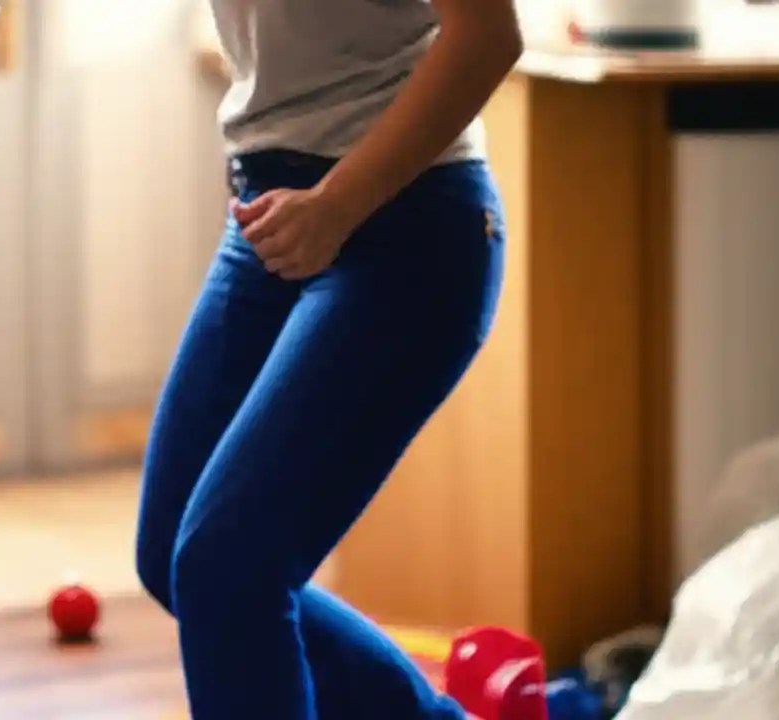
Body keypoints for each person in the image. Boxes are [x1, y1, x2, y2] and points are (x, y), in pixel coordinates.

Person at [135, 0, 523, 717]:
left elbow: (489, 36)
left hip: (407, 220)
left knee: (230, 565)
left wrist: (337, 205)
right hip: (272, 212)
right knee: (174, 555)